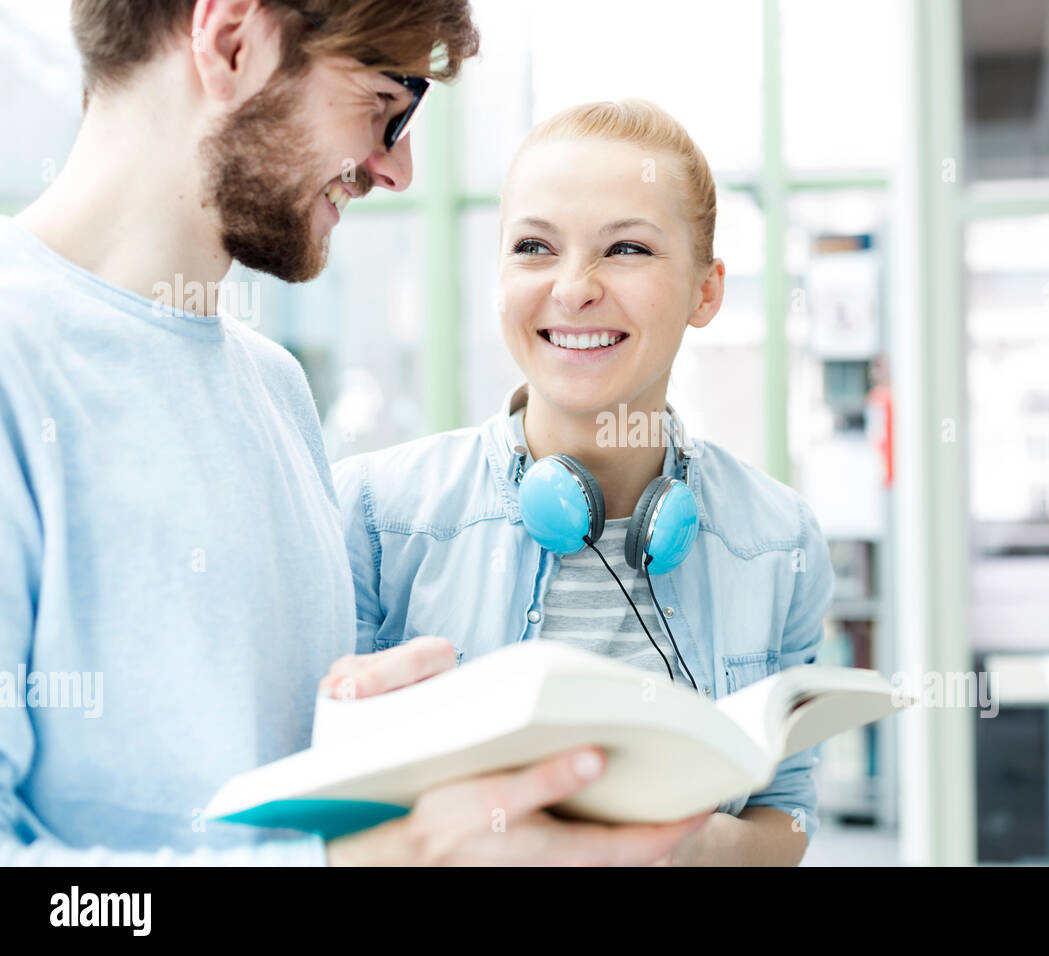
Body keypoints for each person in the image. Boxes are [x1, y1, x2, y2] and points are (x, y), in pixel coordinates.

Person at [0, 0, 707, 866]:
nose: (398, 168)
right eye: (387, 101)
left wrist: (379, 757)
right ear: (231, 41)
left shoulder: (273, 389)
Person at [332, 100, 835, 866]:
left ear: (706, 291)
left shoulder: (777, 539)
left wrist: (680, 849)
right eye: (534, 246)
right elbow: (317, 820)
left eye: (626, 249)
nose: (574, 289)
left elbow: (788, 820)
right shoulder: (375, 516)